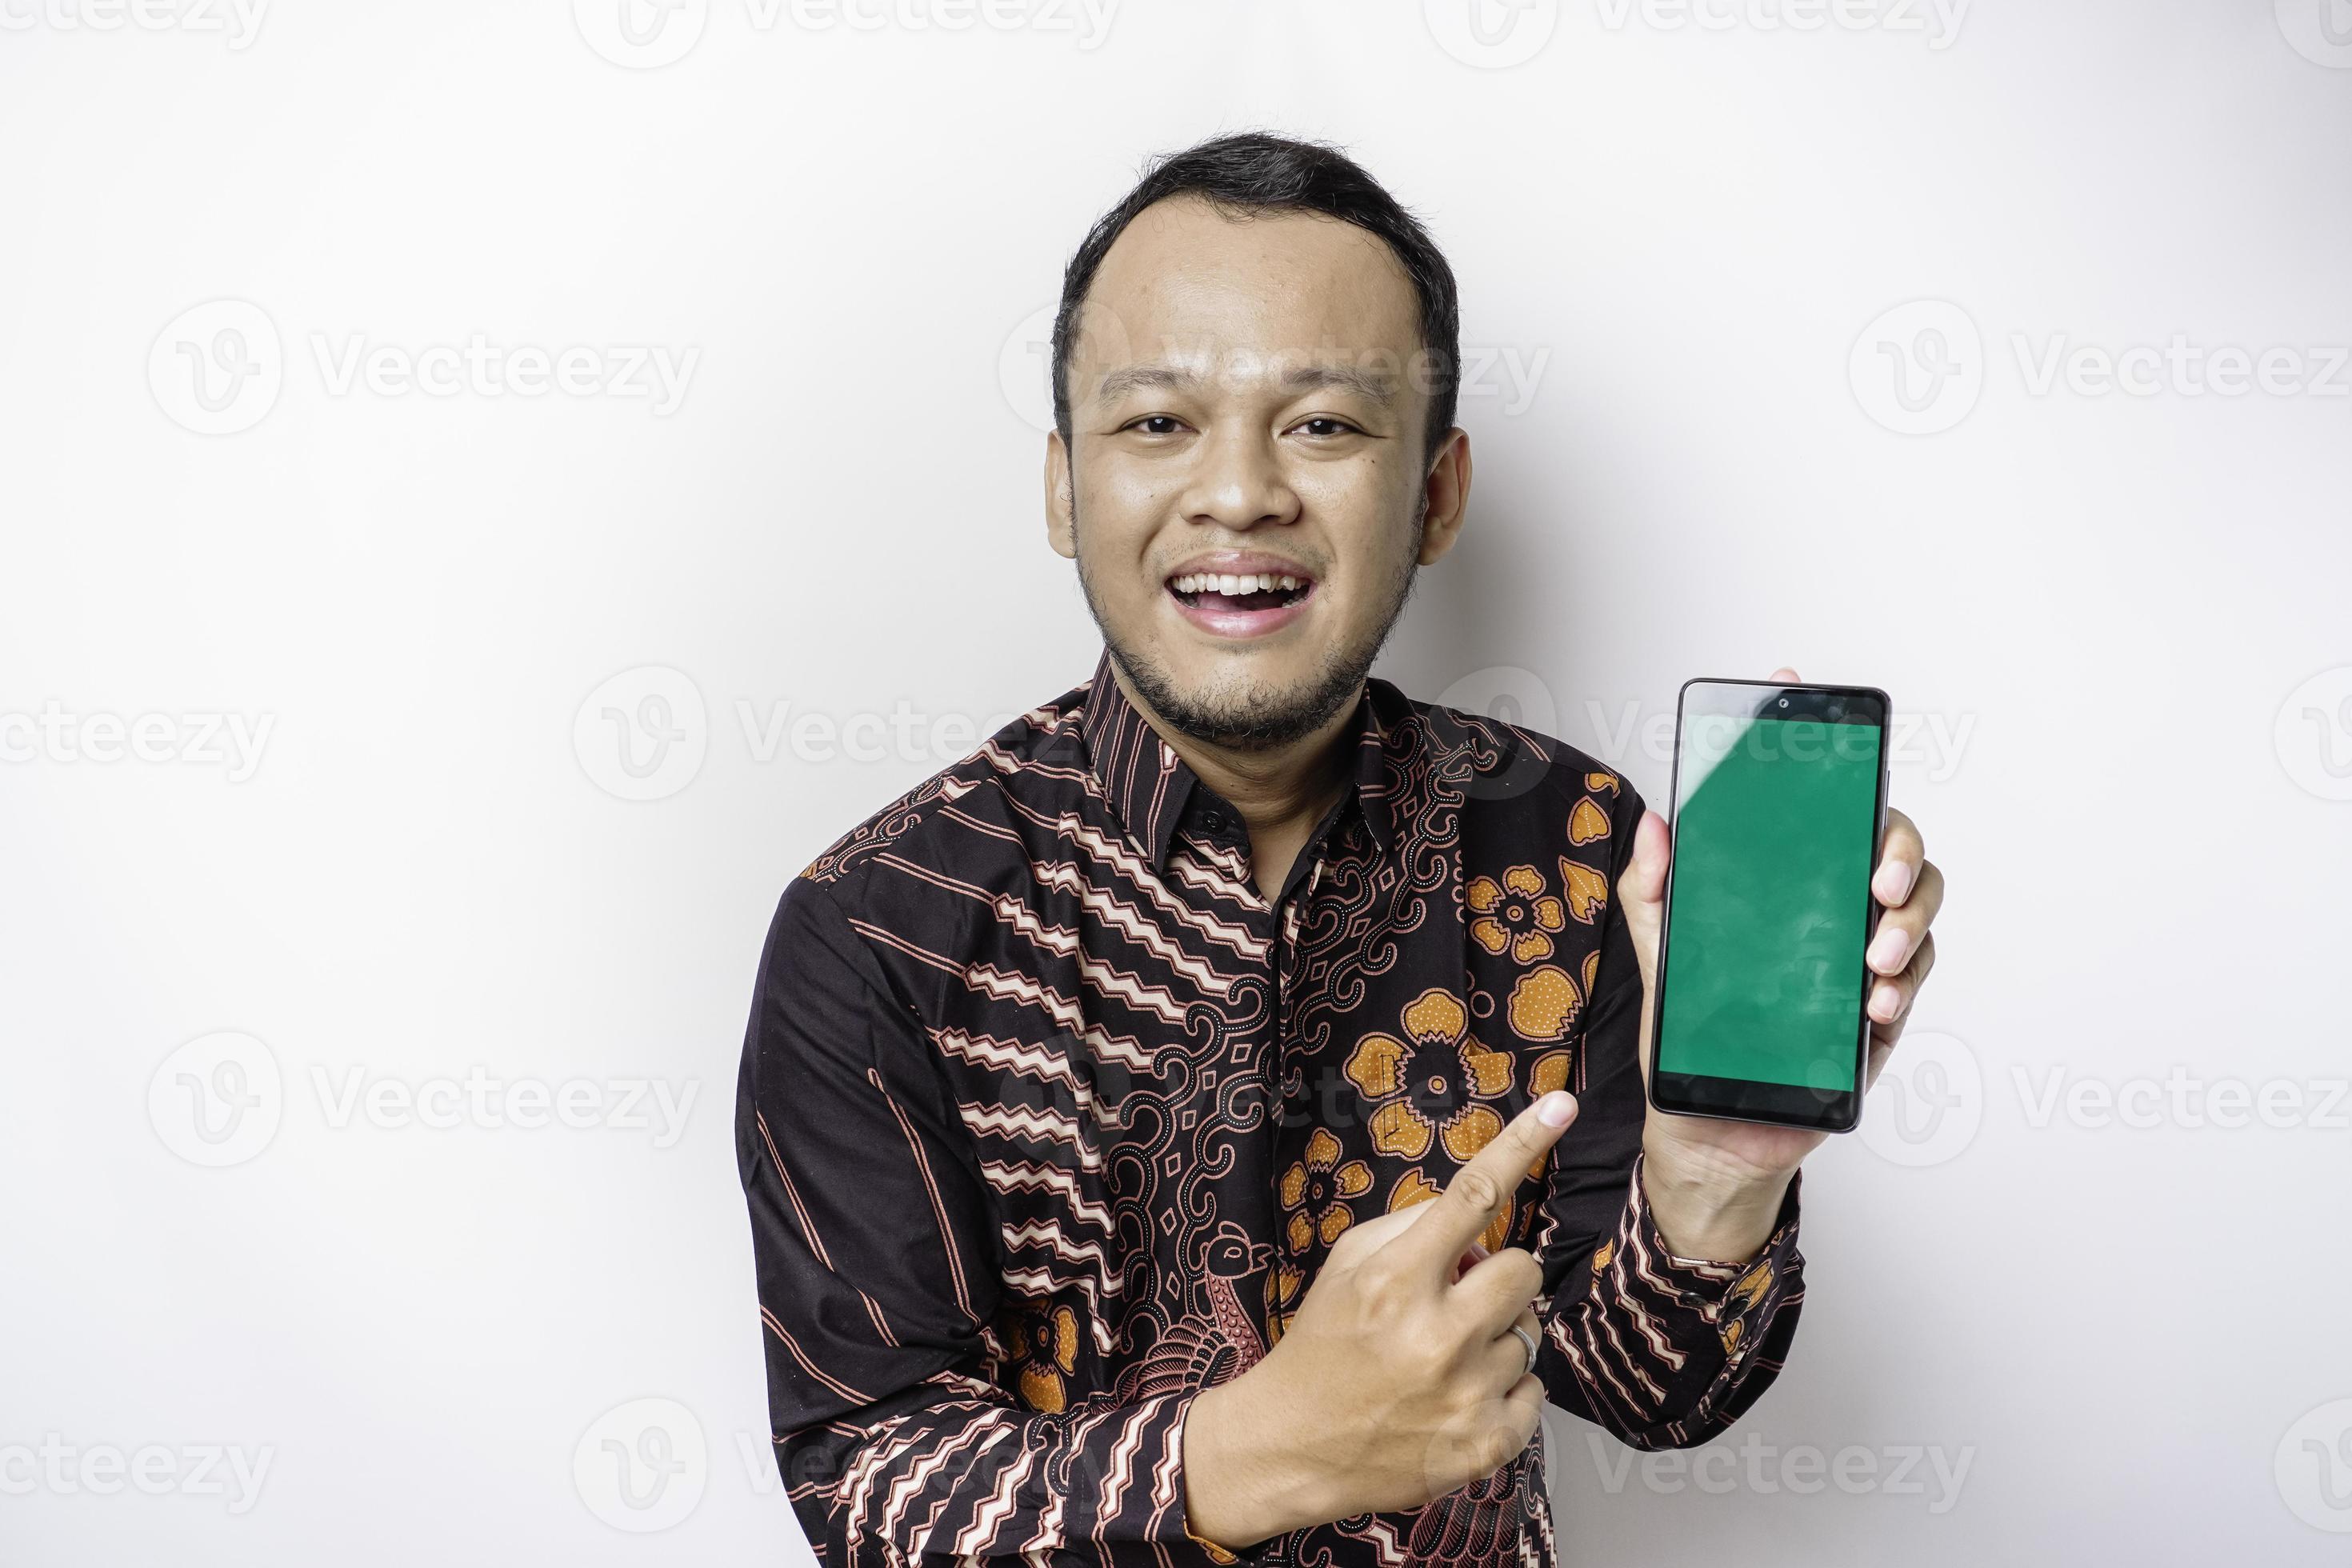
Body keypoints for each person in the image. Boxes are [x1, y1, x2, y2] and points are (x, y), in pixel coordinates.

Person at [734, 131, 1945, 1568]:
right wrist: (1254, 1455)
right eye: (1157, 424)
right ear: (1064, 488)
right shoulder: (879, 928)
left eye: (1322, 425)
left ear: (1437, 495)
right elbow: (865, 1485)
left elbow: (1647, 1389)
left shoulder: (1585, 857)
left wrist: (1718, 1173)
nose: (1240, 493)